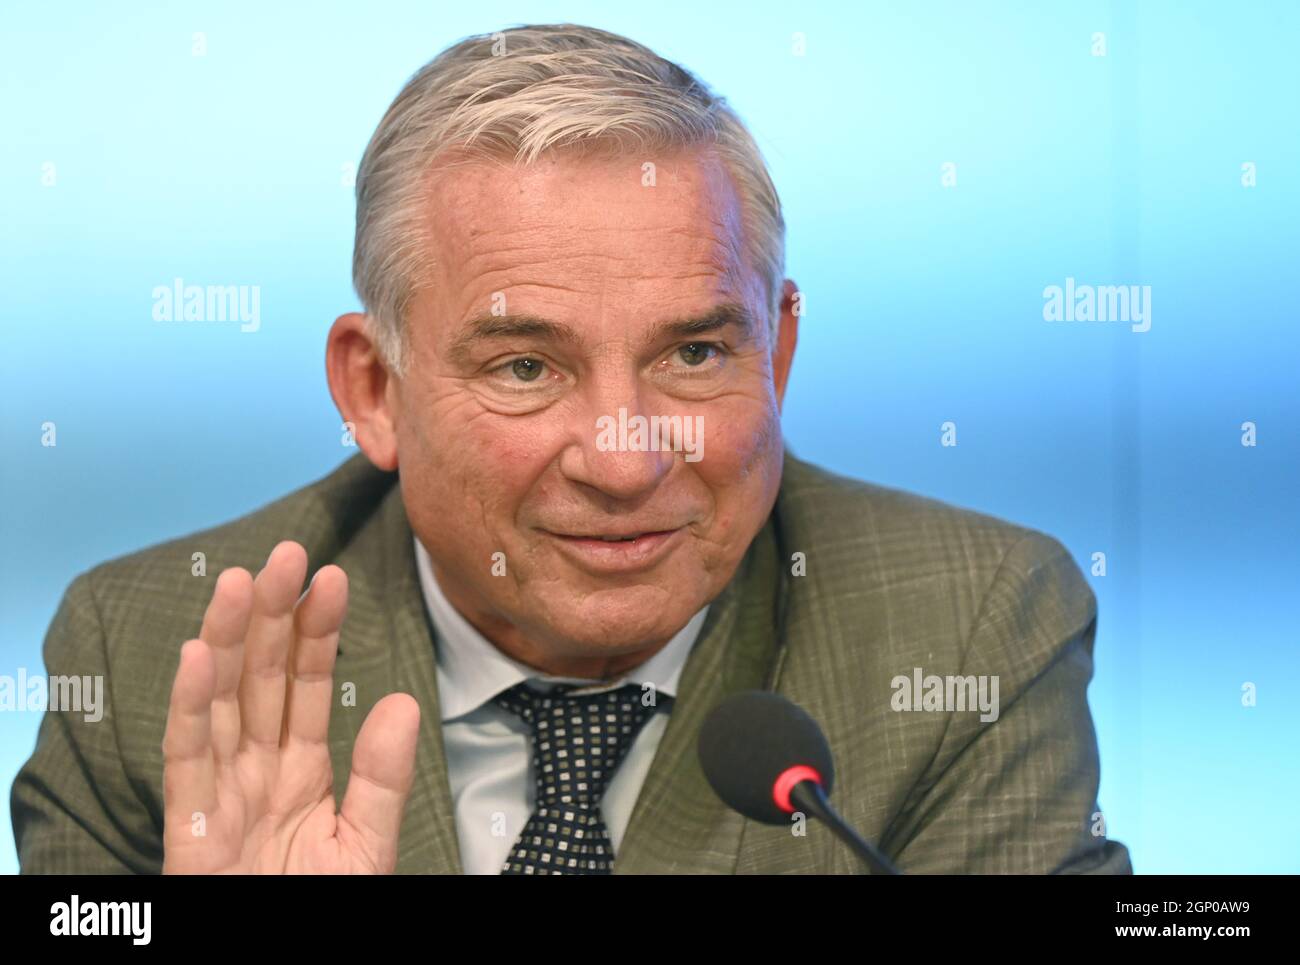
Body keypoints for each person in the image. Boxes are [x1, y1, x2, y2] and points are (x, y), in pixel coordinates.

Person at [11, 23, 1130, 874]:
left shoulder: (975, 628)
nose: (623, 457)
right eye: (524, 367)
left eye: (693, 352)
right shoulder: (149, 660)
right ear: (374, 388)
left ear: (776, 354)